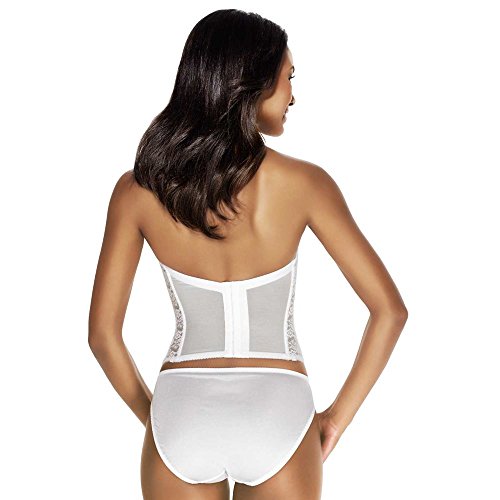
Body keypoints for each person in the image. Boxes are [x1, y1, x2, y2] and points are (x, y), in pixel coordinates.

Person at [88, 9, 408, 500]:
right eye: (288, 78)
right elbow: (389, 311)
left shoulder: (138, 191)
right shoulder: (306, 184)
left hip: (182, 409)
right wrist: (335, 421)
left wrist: (158, 419)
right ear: (251, 85)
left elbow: (102, 336)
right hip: (280, 409)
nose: (293, 95)